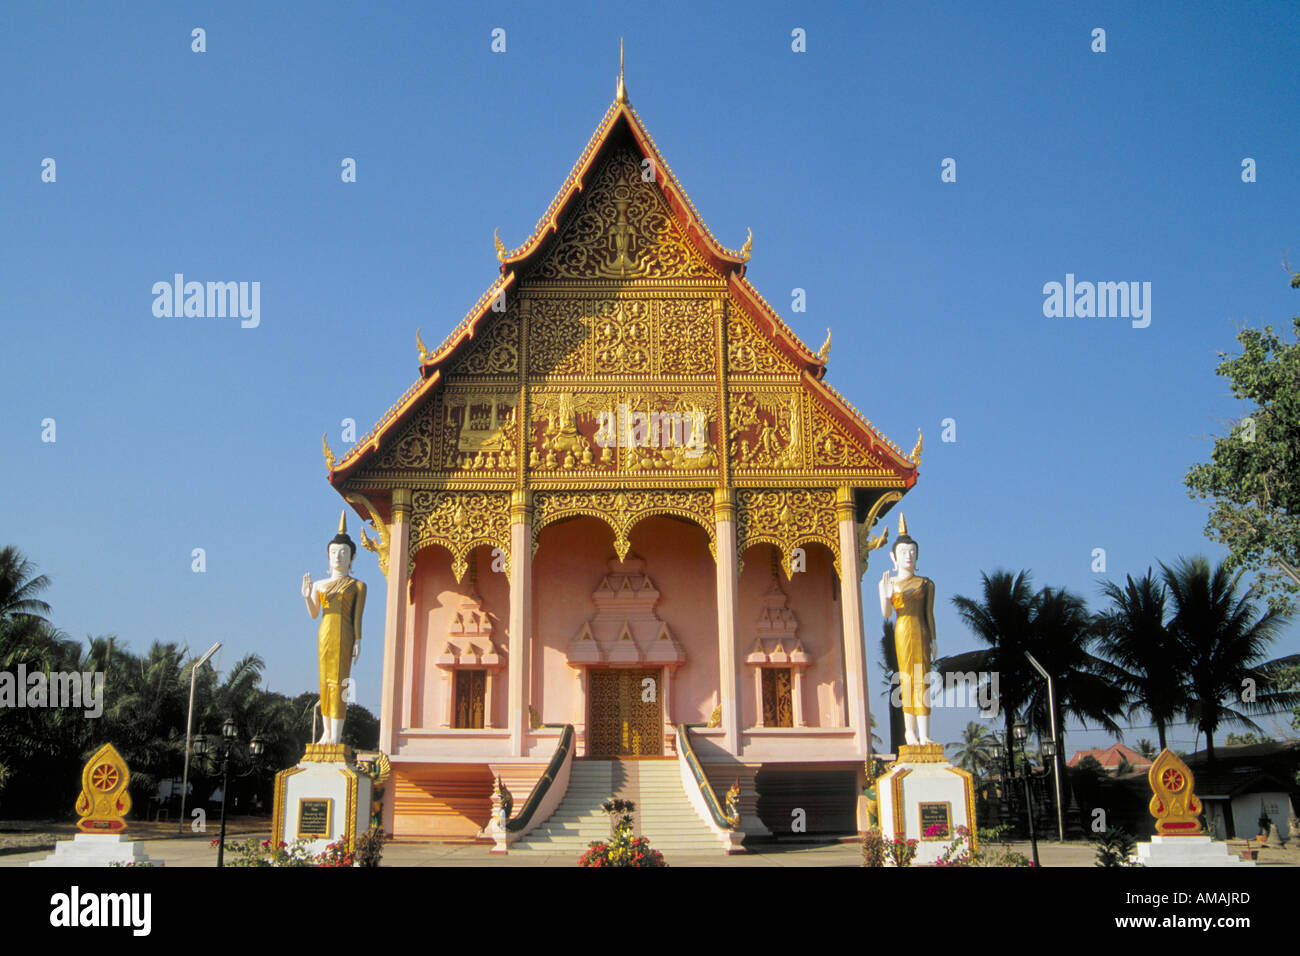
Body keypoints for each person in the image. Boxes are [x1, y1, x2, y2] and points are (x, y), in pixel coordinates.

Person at [302, 512, 367, 745]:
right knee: (324, 682)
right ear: (327, 556)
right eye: (333, 553)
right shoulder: (319, 584)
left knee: (339, 683)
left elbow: (357, 616)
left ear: (352, 557)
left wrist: (358, 640)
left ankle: (336, 736)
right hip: (325, 632)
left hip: (345, 633)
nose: (337, 557)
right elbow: (313, 613)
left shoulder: (357, 586)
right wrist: (307, 597)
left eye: (343, 553)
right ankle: (326, 733)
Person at [878, 513, 937, 747]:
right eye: (904, 553)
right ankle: (909, 732)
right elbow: (886, 614)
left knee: (922, 681)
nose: (908, 556)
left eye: (912, 552)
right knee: (907, 680)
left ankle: (924, 735)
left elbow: (929, 614)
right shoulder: (889, 583)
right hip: (902, 629)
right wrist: (885, 595)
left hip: (921, 629)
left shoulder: (926, 583)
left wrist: (934, 639)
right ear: (894, 557)